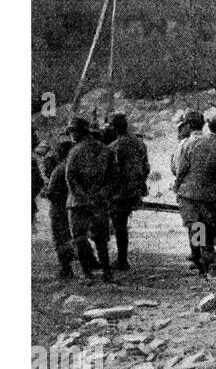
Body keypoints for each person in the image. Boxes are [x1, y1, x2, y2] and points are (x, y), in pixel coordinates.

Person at [174, 115, 216, 275]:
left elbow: (181, 169)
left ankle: (198, 256)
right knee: (206, 224)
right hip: (209, 193)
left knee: (195, 225)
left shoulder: (187, 143)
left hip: (189, 192)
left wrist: (177, 185)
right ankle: (205, 255)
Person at [64, 116, 116, 283]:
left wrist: (83, 196)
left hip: (78, 203)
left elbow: (70, 177)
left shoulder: (75, 151)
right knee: (101, 238)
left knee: (79, 237)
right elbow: (113, 177)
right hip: (99, 201)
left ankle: (88, 274)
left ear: (78, 132)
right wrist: (101, 194)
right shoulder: (105, 150)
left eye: (72, 131)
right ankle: (107, 272)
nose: (71, 135)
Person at [106, 112, 150, 270]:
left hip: (119, 193)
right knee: (121, 224)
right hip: (135, 190)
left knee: (119, 226)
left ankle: (122, 260)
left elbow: (111, 172)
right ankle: (121, 259)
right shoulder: (139, 143)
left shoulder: (114, 147)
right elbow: (146, 167)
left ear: (114, 128)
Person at [41, 140, 76, 278]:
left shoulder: (59, 169)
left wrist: (45, 192)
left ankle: (66, 269)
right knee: (70, 237)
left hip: (59, 209)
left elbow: (51, 193)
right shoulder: (74, 166)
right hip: (73, 207)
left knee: (60, 238)